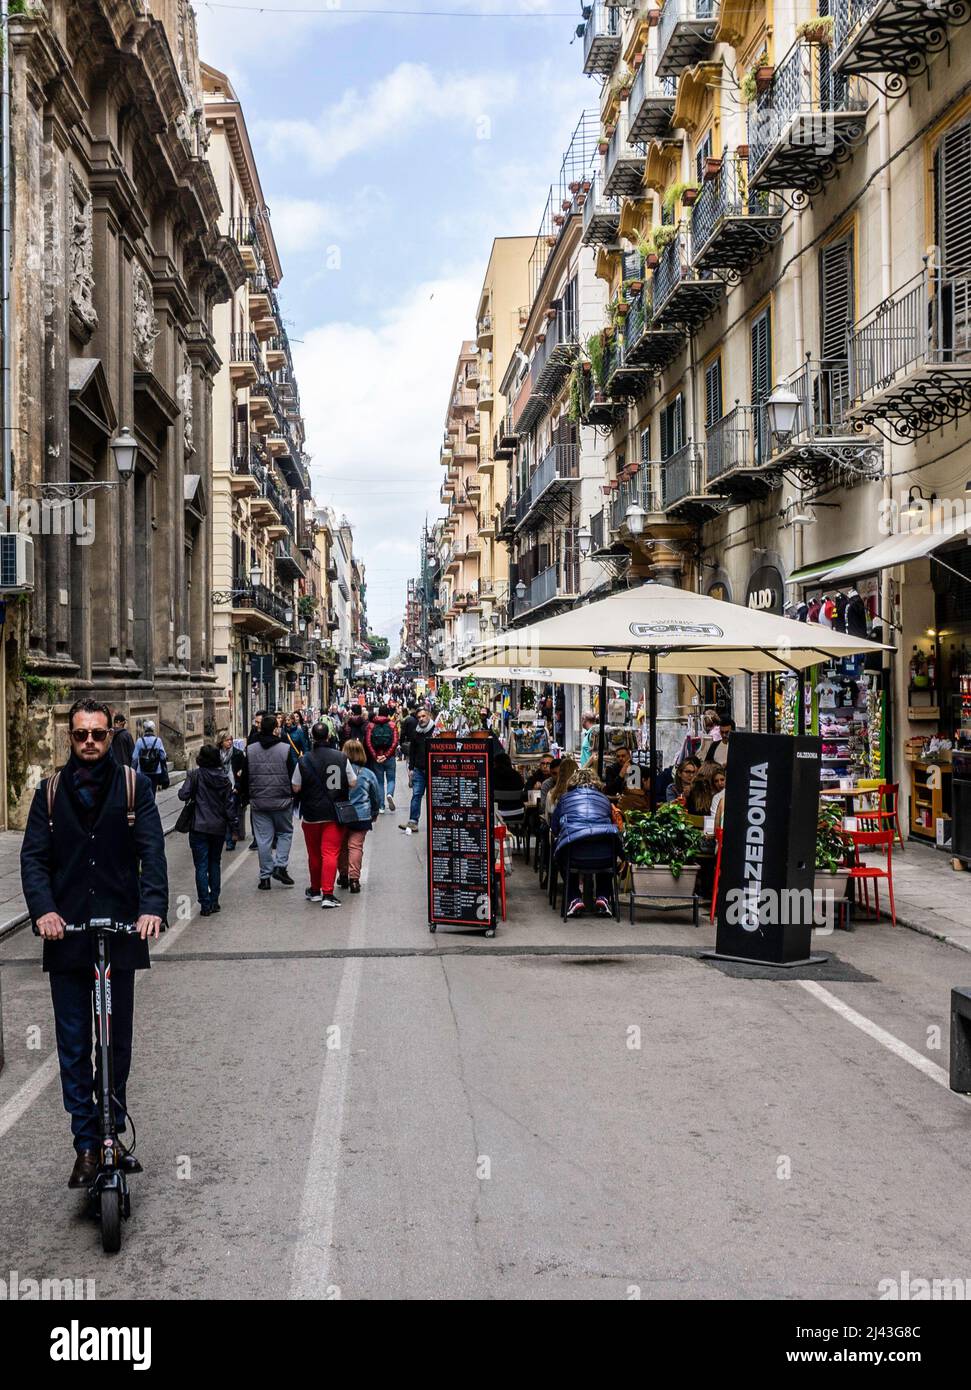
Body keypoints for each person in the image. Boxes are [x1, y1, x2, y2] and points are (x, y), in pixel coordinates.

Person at [20, 698, 167, 1189]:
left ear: (110, 736)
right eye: (81, 734)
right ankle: (86, 1143)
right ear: (70, 736)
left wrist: (152, 907)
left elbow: (152, 850)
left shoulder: (134, 786)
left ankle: (113, 1131)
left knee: (115, 1041)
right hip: (67, 935)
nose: (89, 742)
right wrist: (43, 912)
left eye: (98, 734)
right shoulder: (48, 793)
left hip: (120, 931)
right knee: (75, 1043)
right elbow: (34, 860)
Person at [292, 721, 355, 909]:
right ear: (328, 736)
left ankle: (314, 889)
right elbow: (353, 782)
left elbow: (296, 786)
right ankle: (328, 893)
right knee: (330, 853)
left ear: (312, 737)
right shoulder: (341, 758)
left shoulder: (303, 760)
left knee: (314, 854)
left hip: (311, 813)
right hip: (334, 812)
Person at [550, 766, 620, 919]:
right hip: (604, 858)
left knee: (562, 853)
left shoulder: (564, 799)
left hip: (574, 857)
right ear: (596, 782)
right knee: (608, 848)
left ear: (572, 782)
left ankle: (574, 898)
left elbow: (554, 828)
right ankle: (603, 897)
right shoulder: (605, 800)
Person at [178, 745, 240, 915]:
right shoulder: (224, 779)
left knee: (201, 866)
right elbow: (229, 807)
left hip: (198, 826)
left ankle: (205, 904)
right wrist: (234, 827)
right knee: (214, 863)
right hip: (218, 828)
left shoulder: (195, 775)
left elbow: (183, 795)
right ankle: (215, 900)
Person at [246, 714, 296, 890]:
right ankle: (280, 865)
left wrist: (246, 797)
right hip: (282, 800)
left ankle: (265, 877)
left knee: (263, 839)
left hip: (259, 801)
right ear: (276, 728)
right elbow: (292, 774)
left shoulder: (250, 749)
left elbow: (246, 775)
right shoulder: (285, 749)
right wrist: (293, 795)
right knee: (285, 833)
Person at [337, 739, 380, 893]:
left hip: (341, 814)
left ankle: (343, 875)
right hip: (361, 815)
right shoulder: (368, 773)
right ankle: (354, 879)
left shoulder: (338, 772)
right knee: (356, 846)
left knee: (342, 847)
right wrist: (374, 813)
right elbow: (376, 796)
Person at [399, 705, 436, 832]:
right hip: (419, 769)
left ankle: (437, 823)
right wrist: (411, 769)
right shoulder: (416, 732)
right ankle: (413, 822)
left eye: (423, 716)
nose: (421, 719)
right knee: (416, 795)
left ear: (429, 716)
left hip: (434, 770)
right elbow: (412, 752)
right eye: (419, 717)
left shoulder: (435, 731)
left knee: (435, 797)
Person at [217, 730, 248, 851]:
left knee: (232, 815)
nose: (229, 742)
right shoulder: (216, 754)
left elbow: (242, 772)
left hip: (233, 788)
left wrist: (238, 787)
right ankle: (226, 836)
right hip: (220, 789)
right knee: (222, 815)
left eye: (231, 739)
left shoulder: (238, 754)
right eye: (227, 740)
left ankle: (231, 840)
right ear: (221, 742)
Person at [365, 704, 399, 812]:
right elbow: (394, 742)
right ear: (388, 713)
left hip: (377, 757)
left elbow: (368, 742)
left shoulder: (371, 725)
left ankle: (381, 806)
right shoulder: (392, 725)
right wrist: (387, 755)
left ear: (378, 712)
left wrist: (375, 755)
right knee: (391, 779)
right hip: (390, 757)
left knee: (379, 782)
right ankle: (389, 793)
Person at [130, 720, 169, 798]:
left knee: (143, 790)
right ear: (153, 729)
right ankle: (151, 804)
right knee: (152, 790)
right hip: (155, 771)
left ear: (144, 729)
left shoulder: (139, 741)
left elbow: (134, 758)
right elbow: (163, 756)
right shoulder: (158, 741)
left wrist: (132, 772)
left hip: (142, 771)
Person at [492, 752, 526, 831]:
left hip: (498, 813)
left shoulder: (492, 775)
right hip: (518, 813)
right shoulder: (516, 775)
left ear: (495, 763)